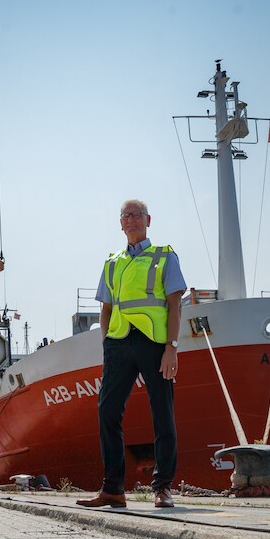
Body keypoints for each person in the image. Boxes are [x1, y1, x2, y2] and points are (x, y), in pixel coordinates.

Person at [77, 199, 186, 509]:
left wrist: (172, 348)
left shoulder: (165, 256)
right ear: (120, 223)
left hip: (154, 343)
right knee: (107, 412)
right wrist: (107, 346)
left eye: (137, 214)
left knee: (162, 414)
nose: (132, 219)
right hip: (118, 344)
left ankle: (162, 487)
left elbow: (175, 305)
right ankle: (113, 489)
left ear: (148, 220)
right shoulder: (112, 263)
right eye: (126, 215)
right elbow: (106, 309)